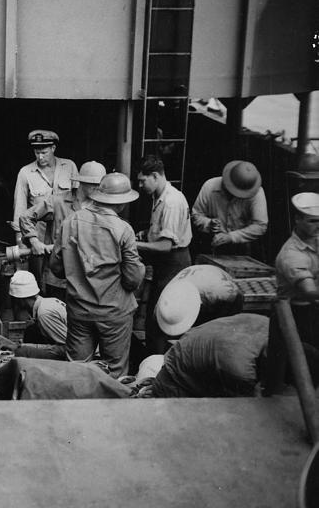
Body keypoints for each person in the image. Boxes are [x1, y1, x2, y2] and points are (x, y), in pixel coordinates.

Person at [51, 172, 146, 377]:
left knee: (77, 371)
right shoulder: (123, 230)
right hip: (114, 312)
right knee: (114, 373)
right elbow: (133, 280)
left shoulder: (70, 222)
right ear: (121, 203)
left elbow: (56, 268)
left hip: (79, 310)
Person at [14, 160, 106, 300]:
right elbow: (26, 217)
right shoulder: (58, 201)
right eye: (95, 185)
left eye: (100, 185)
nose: (98, 189)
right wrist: (34, 241)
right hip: (57, 278)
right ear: (82, 182)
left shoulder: (101, 207)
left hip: (87, 278)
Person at [135, 313, 271, 398]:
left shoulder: (267, 324)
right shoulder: (241, 370)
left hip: (188, 358)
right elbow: (244, 411)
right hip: (176, 383)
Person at [136, 155, 192, 354]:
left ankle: (158, 365)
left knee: (163, 319)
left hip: (174, 263)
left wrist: (135, 244)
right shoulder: (157, 196)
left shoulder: (171, 202)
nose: (141, 186)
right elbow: (161, 232)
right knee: (155, 318)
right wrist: (147, 234)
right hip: (164, 264)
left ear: (155, 176)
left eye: (143, 181)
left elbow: (165, 246)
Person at [265, 192, 319, 393]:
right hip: (289, 314)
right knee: (281, 373)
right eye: (312, 221)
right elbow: (309, 291)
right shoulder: (291, 254)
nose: (317, 226)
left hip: (312, 312)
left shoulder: (315, 238)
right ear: (298, 219)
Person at [12, 129, 78, 294]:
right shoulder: (25, 173)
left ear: (53, 148)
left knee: (67, 278)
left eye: (44, 152)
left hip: (65, 235)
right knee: (40, 281)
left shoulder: (69, 166)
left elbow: (79, 200)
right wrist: (22, 243)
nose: (40, 157)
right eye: (36, 152)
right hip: (37, 238)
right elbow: (20, 211)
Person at [190, 160, 268, 256]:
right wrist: (208, 223)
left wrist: (231, 237)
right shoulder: (210, 186)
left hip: (241, 247)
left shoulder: (256, 193)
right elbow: (196, 214)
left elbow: (260, 226)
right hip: (210, 243)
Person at [8, 270, 68, 345]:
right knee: (32, 331)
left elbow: (69, 346)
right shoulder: (49, 301)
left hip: (76, 352)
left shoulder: (44, 313)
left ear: (19, 299)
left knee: (23, 350)